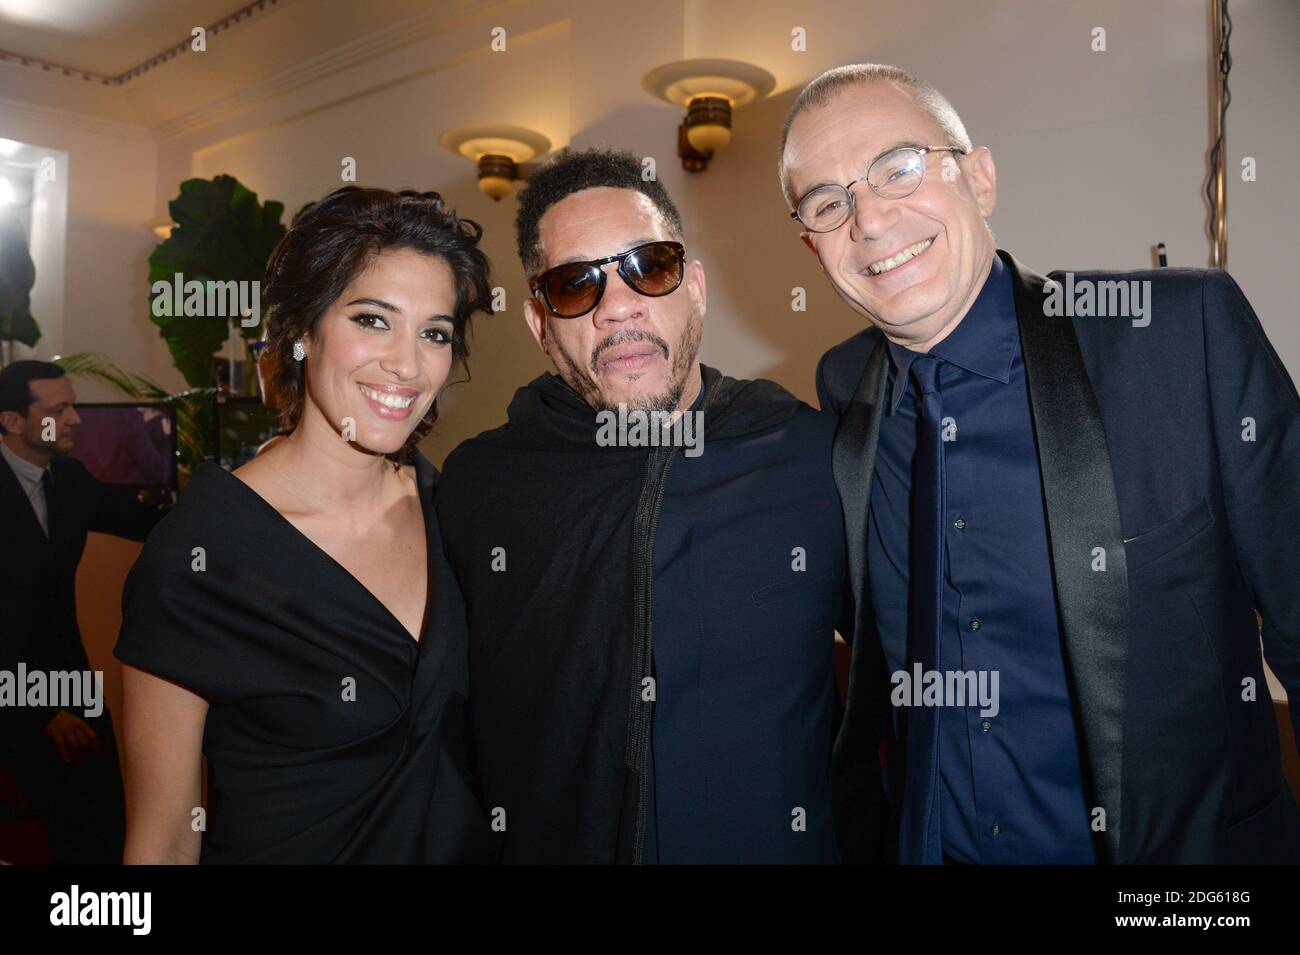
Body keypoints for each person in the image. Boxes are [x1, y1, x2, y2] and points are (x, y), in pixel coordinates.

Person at [780, 63, 1300, 863]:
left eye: (899, 168)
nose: (871, 220)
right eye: (829, 202)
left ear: (979, 177)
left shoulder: (1180, 338)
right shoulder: (844, 389)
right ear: (814, 246)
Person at [436, 148, 852, 864]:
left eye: (648, 267)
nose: (618, 307)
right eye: (575, 285)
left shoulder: (814, 455)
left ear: (693, 285)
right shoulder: (478, 486)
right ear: (540, 323)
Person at [114, 187, 494, 863]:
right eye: (374, 319)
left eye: (434, 332)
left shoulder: (456, 508)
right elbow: (166, 837)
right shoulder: (199, 556)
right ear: (298, 332)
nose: (407, 364)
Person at [0, 360, 167, 864]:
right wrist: (41, 710)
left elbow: (148, 523)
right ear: (12, 421)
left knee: (105, 825)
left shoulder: (68, 478)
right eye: (59, 410)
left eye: (72, 405)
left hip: (71, 681)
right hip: (17, 697)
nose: (75, 419)